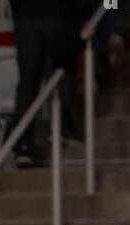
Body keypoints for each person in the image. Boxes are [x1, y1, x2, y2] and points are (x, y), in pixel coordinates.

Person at [10, 0, 92, 168]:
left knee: (28, 84)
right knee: (65, 67)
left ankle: (24, 147)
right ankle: (61, 127)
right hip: (59, 16)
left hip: (25, 19)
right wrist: (85, 15)